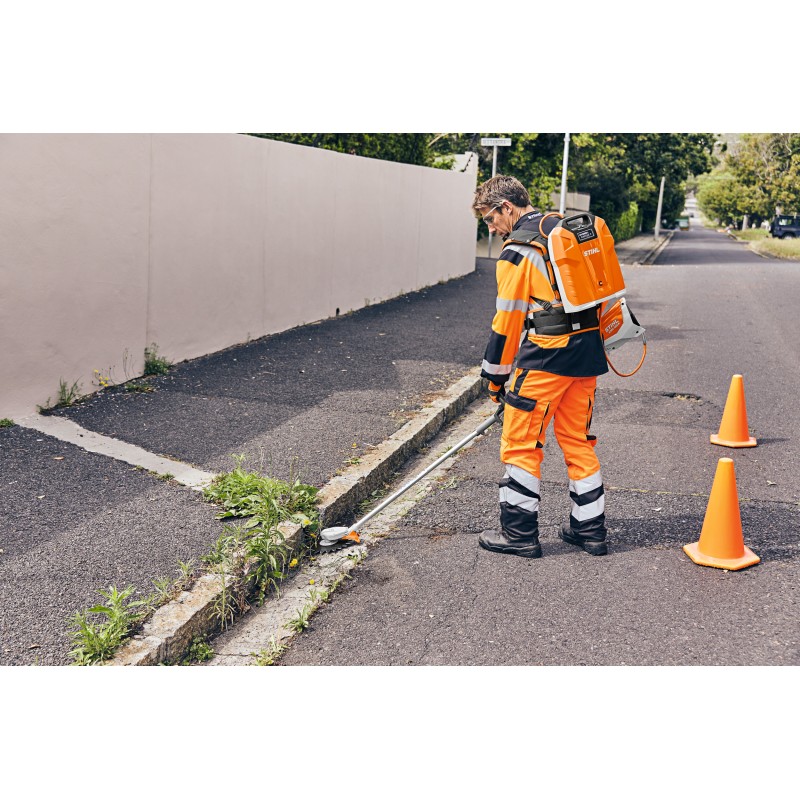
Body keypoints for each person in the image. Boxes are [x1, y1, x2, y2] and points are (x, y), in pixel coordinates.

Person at [473, 175, 609, 558]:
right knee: (578, 442)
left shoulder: (519, 249)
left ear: (507, 208)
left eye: (489, 218)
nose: (491, 227)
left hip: (546, 358)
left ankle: (519, 535)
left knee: (521, 444)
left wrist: (495, 379)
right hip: (587, 354)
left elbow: (507, 322)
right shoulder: (565, 230)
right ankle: (590, 531)